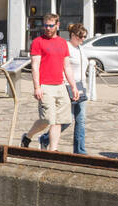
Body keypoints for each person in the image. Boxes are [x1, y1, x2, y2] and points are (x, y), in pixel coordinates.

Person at [21, 14, 82, 152]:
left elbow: (67, 66)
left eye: (51, 25)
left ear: (57, 25)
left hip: (60, 85)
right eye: (46, 25)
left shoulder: (62, 43)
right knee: (47, 119)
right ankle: (28, 136)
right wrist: (37, 87)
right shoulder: (38, 42)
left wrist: (73, 87)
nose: (48, 28)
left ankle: (53, 150)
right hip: (45, 86)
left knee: (59, 120)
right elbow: (35, 66)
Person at [40, 23, 90, 154]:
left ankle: (80, 151)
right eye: (80, 36)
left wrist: (84, 86)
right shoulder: (66, 47)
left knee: (81, 120)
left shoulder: (81, 49)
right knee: (66, 120)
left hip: (81, 87)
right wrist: (66, 83)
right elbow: (63, 67)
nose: (83, 39)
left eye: (84, 37)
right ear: (73, 35)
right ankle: (46, 139)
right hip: (67, 87)